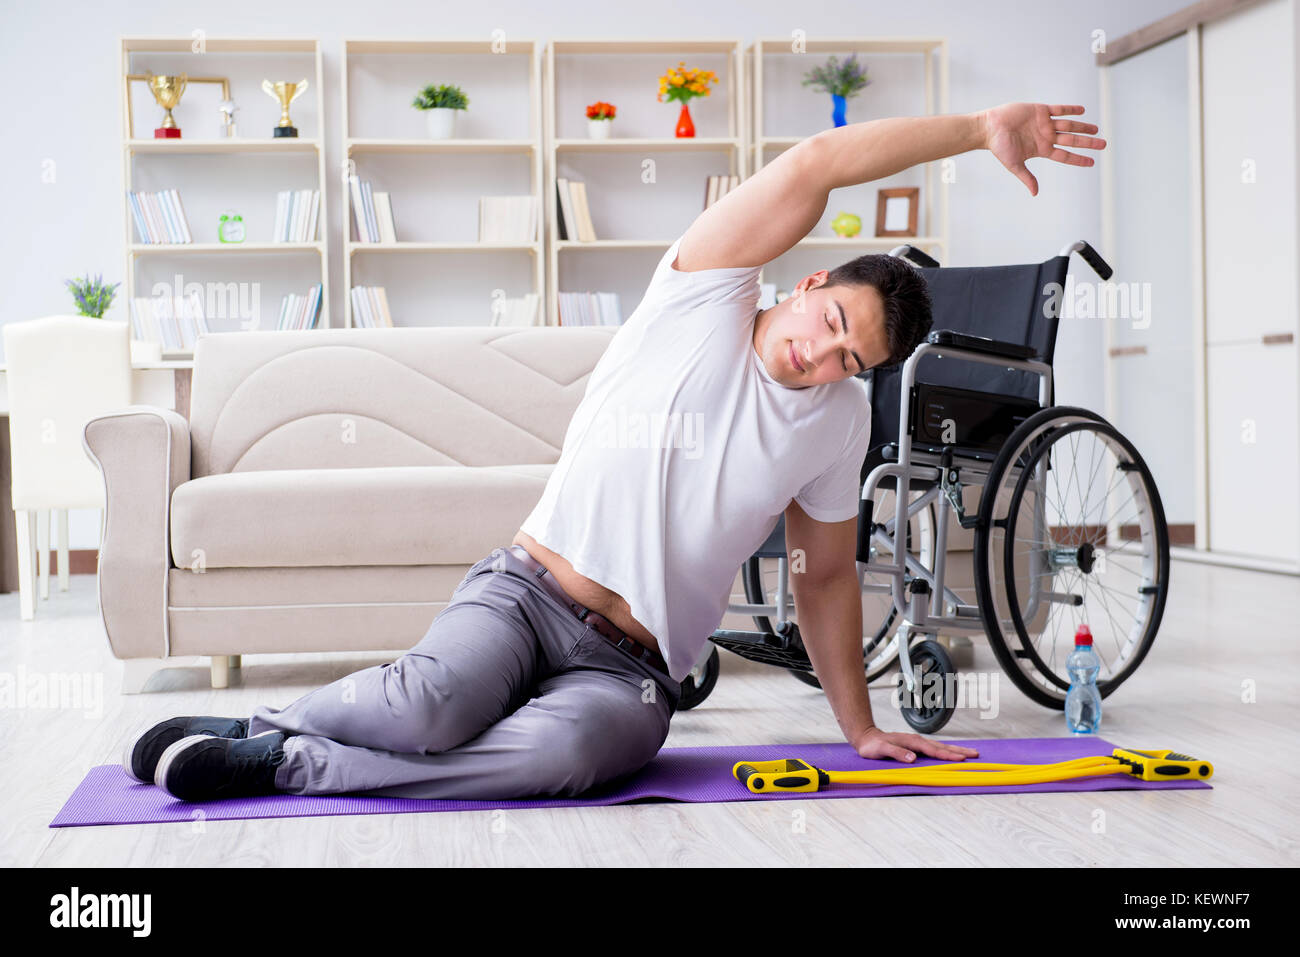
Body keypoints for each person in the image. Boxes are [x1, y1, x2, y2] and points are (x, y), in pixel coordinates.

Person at [125, 102, 1105, 802]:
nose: (823, 358)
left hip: (630, 670)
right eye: (832, 322)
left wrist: (857, 727)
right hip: (524, 593)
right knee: (433, 706)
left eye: (851, 359)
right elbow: (813, 163)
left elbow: (822, 578)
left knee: (569, 758)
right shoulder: (704, 294)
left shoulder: (839, 419)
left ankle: (287, 760)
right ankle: (266, 729)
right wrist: (977, 131)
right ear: (808, 283)